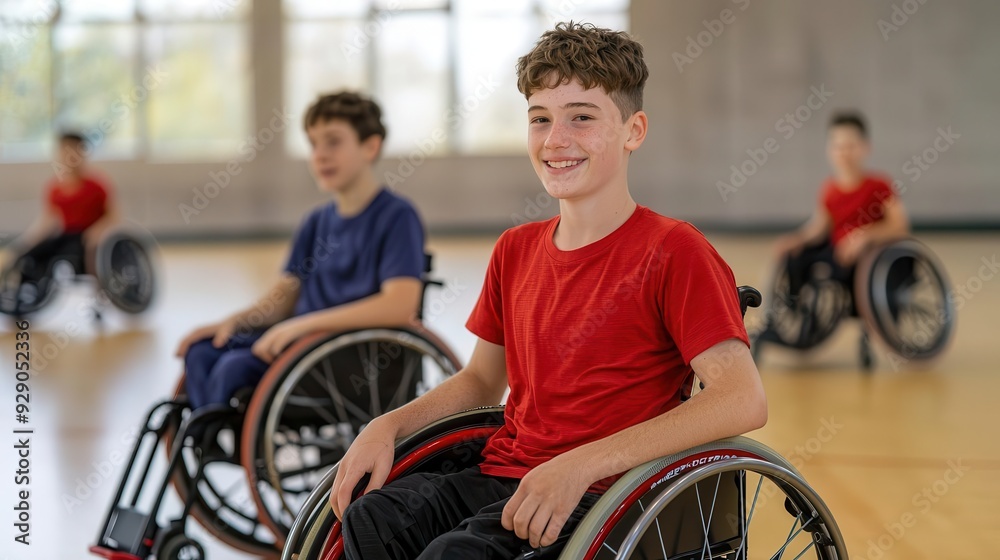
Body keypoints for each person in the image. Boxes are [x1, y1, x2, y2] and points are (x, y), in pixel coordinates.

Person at [331, 22, 768, 560]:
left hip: (605, 497)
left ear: (634, 130)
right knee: (372, 518)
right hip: (506, 476)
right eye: (540, 120)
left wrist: (582, 463)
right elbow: (480, 381)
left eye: (582, 118)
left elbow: (742, 398)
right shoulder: (515, 249)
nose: (555, 140)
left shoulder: (674, 250)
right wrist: (386, 424)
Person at [175, 91, 426, 410]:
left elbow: (399, 305)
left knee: (232, 368)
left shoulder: (396, 217)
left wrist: (303, 325)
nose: (320, 155)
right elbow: (283, 298)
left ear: (370, 146)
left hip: (350, 360)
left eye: (333, 142)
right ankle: (204, 441)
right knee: (202, 351)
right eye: (313, 144)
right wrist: (234, 321)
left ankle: (213, 441)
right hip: (300, 347)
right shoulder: (315, 222)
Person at [773, 111, 910, 300]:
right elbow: (819, 228)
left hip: (870, 258)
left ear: (865, 148)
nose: (844, 153)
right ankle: (792, 313)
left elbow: (899, 225)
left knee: (860, 262)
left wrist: (863, 237)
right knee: (795, 256)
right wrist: (797, 239)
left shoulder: (880, 186)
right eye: (838, 147)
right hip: (838, 254)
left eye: (850, 146)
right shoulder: (830, 189)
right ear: (829, 151)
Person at [0, 132, 119, 303]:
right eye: (63, 150)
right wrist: (25, 243)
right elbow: (47, 221)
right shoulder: (55, 188)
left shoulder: (96, 186)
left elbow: (113, 217)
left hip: (89, 236)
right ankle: (21, 294)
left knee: (87, 247)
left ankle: (100, 292)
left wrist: (97, 231)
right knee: (27, 254)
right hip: (66, 235)